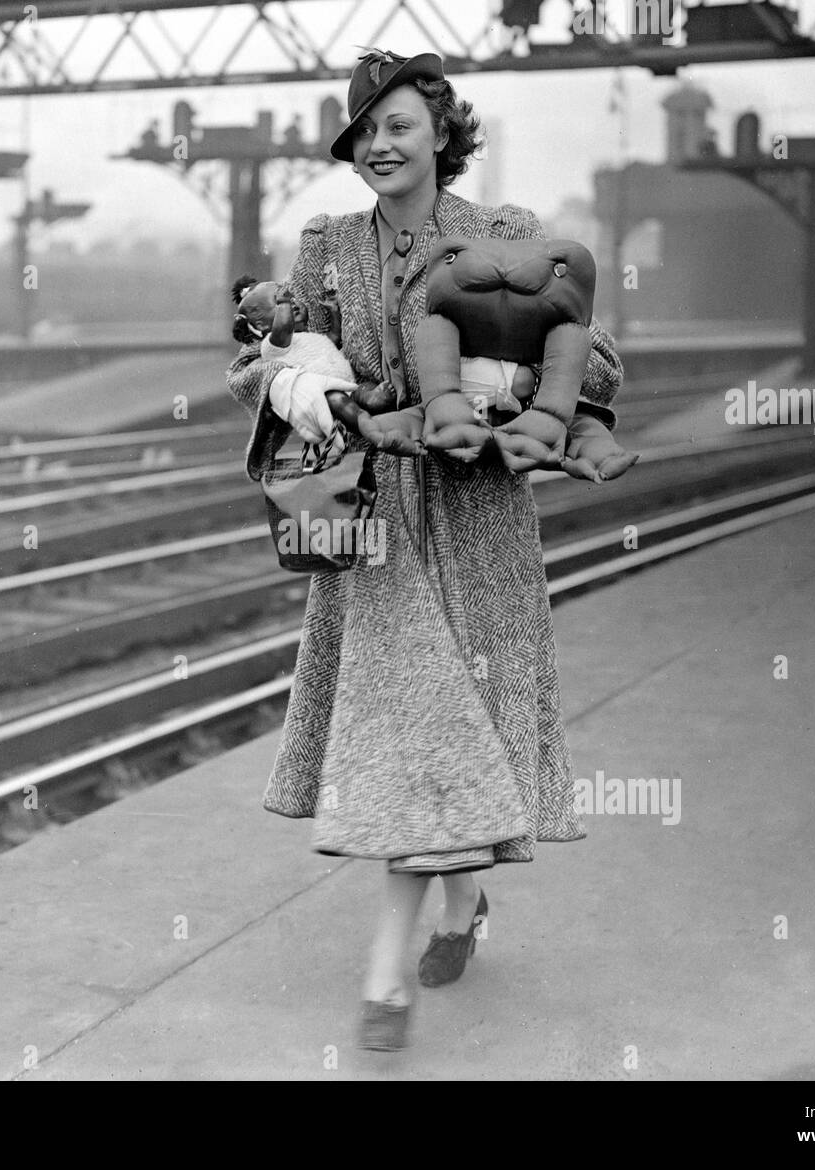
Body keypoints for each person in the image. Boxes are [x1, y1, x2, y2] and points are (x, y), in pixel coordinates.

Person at [224, 47, 626, 1052]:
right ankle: (386, 978)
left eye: (398, 126)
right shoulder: (324, 250)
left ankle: (453, 912)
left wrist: (512, 385)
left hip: (481, 521)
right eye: (363, 133)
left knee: (456, 732)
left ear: (443, 133)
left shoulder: (505, 238)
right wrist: (289, 386)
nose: (378, 146)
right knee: (416, 736)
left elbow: (600, 362)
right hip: (372, 525)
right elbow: (258, 362)